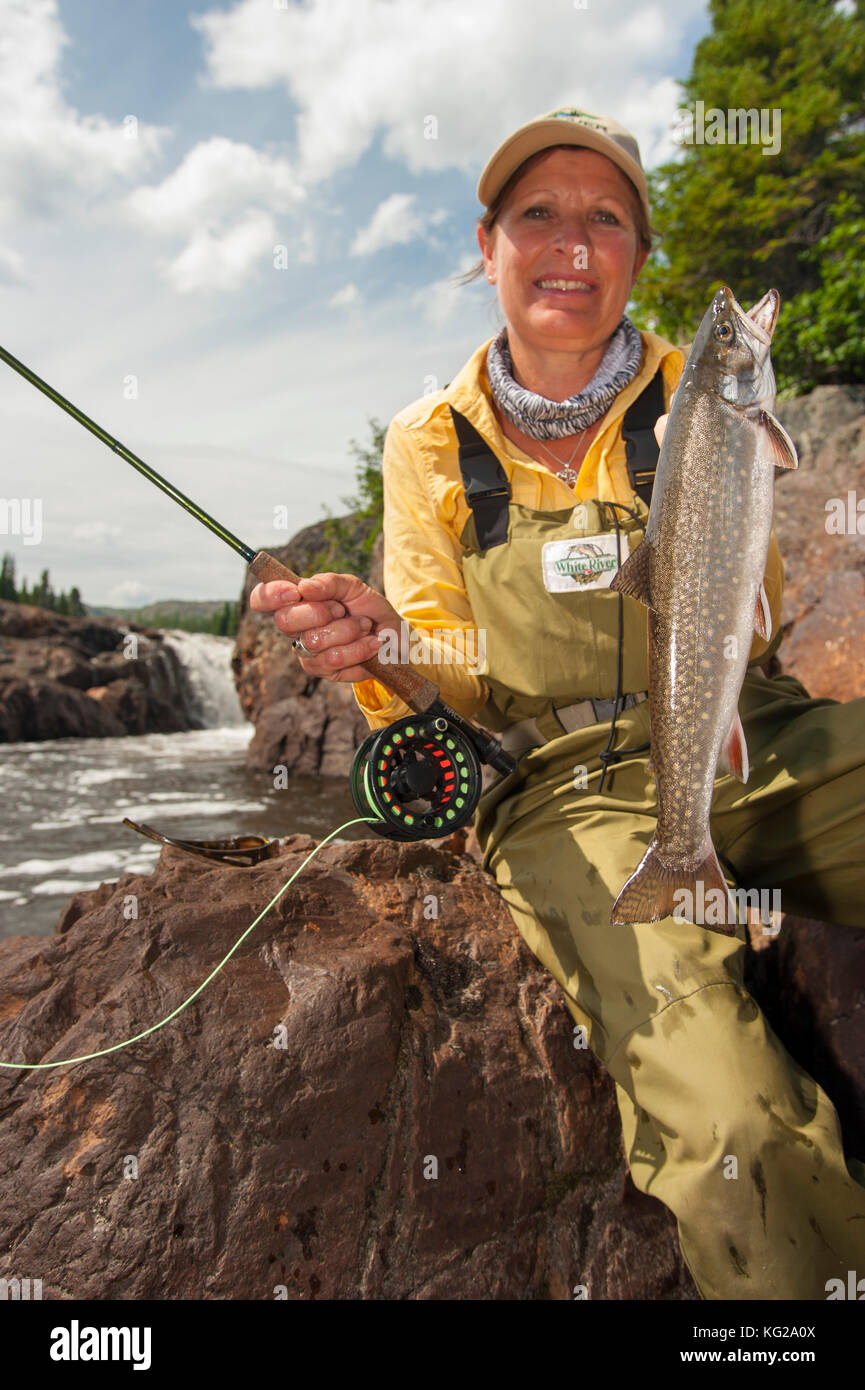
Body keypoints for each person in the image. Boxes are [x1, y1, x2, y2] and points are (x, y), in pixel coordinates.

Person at [250, 108, 865, 1300]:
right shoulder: (428, 441)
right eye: (537, 214)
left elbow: (762, 614)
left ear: (638, 255)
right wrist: (389, 649)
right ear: (487, 246)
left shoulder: (705, 395)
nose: (570, 243)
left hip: (751, 730)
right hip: (563, 791)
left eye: (605, 219)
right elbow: (444, 674)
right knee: (735, 1127)